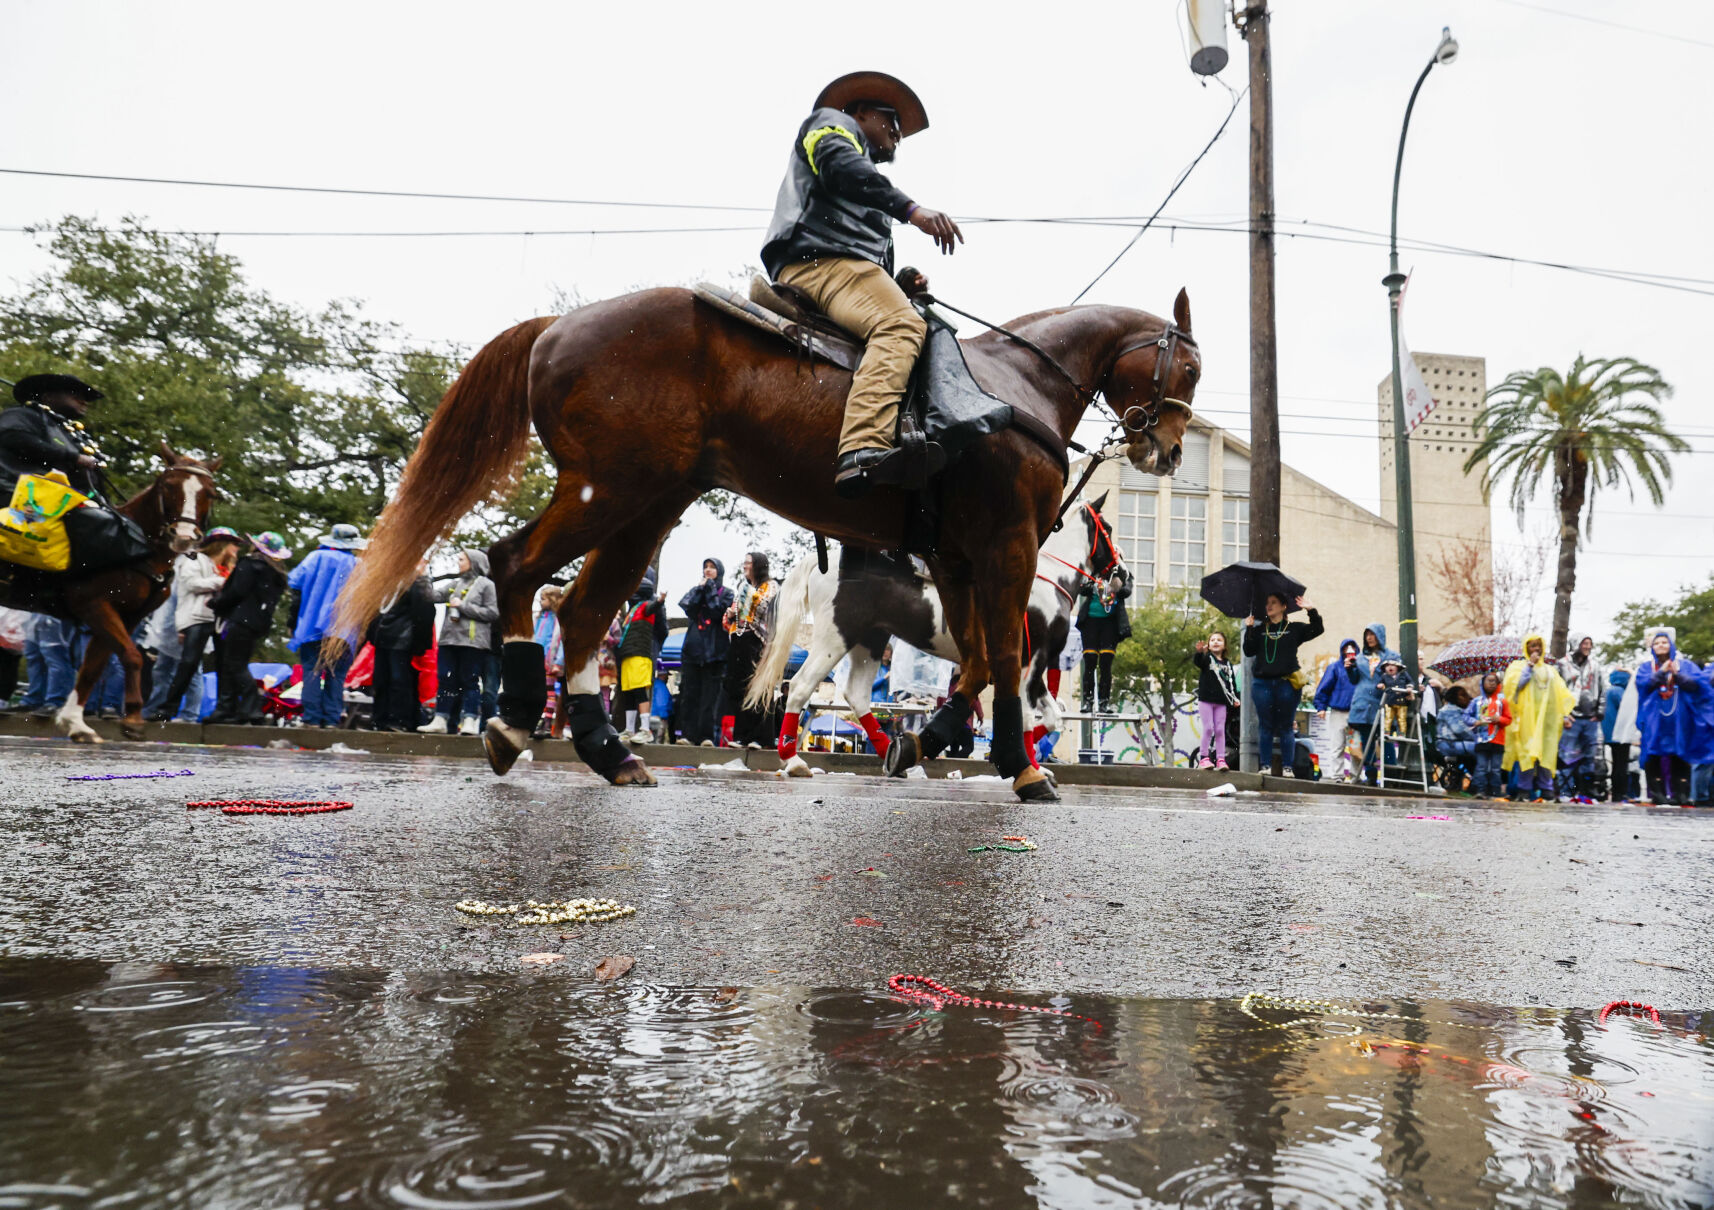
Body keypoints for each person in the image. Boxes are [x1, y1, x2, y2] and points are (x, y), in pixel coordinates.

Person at [761, 72, 962, 497]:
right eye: (892, 122)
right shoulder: (831, 125)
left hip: (833, 265)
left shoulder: (863, 174)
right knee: (902, 327)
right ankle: (862, 447)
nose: (897, 135)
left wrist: (902, 281)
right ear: (862, 111)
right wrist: (912, 210)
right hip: (818, 262)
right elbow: (840, 166)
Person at [0, 374, 149, 572]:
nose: (83, 400)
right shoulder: (23, 415)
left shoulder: (69, 432)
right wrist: (74, 457)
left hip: (57, 502)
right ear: (47, 397)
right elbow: (13, 437)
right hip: (17, 492)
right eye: (75, 394)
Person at [148, 528, 237, 722]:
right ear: (222, 544)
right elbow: (190, 584)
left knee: (213, 666)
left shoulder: (227, 566)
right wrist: (221, 582)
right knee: (187, 664)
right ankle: (168, 709)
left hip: (219, 621)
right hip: (197, 618)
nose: (237, 548)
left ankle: (206, 713)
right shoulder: (195, 559)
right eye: (234, 543)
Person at [207, 532, 292, 725]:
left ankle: (250, 709)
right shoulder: (276, 574)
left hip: (240, 621)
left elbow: (236, 592)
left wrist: (216, 603)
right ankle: (231, 710)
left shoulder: (250, 565)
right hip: (257, 625)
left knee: (233, 665)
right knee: (236, 664)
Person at [285, 524, 364, 728]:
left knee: (311, 671)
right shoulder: (359, 566)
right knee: (336, 676)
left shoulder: (315, 558)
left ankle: (310, 718)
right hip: (344, 630)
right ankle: (331, 719)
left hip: (313, 627)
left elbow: (296, 591)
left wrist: (292, 622)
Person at [1241, 593, 1324, 777]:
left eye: (1273, 603)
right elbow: (1248, 651)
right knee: (1266, 725)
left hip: (1287, 683)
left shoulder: (1293, 629)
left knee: (1286, 725)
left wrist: (1311, 610)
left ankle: (1288, 767)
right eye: (1267, 603)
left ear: (1283, 606)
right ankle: (1265, 766)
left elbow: (1317, 629)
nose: (1269, 606)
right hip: (1262, 684)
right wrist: (1249, 629)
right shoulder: (1261, 629)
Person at [418, 549, 497, 736]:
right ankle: (440, 718)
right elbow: (432, 597)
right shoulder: (456, 583)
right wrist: (423, 577)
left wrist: (463, 606)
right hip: (449, 640)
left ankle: (470, 719)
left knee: (469, 681)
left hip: (473, 642)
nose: (458, 562)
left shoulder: (486, 585)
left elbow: (492, 613)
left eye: (462, 559)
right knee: (445, 679)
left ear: (474, 562)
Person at [1633, 628, 1710, 805]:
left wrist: (1677, 674)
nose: (1661, 645)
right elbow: (1644, 685)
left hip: (1679, 717)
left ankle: (1680, 793)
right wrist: (1661, 673)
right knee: (1653, 752)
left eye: (1664, 642)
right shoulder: (1647, 667)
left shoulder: (1685, 665)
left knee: (1680, 752)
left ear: (1671, 645)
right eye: (1657, 643)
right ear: (1652, 647)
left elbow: (1697, 685)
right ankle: (1657, 794)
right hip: (1655, 716)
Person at [1501, 634, 1576, 803]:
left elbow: (1561, 693)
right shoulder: (1517, 666)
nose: (1536, 649)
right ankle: (1524, 789)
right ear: (1526, 648)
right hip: (1526, 718)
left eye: (1538, 646)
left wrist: (1565, 714)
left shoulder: (1550, 670)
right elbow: (1514, 687)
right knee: (1527, 752)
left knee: (1546, 753)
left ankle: (1546, 788)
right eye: (1532, 646)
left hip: (1548, 720)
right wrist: (1529, 666)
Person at [370, 560, 435, 732]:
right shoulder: (388, 581)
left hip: (402, 639)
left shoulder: (418, 581)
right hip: (383, 638)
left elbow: (425, 612)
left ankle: (400, 720)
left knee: (400, 681)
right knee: (382, 680)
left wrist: (419, 643)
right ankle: (380, 719)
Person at [721, 552, 776, 747]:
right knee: (741, 687)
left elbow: (766, 608)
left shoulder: (770, 586)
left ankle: (761, 737)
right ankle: (743, 737)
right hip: (739, 641)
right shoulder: (742, 588)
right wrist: (730, 614)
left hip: (758, 641)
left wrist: (748, 598)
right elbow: (731, 617)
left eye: (748, 563)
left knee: (758, 687)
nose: (744, 566)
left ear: (758, 566)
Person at [677, 557, 733, 746]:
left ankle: (706, 737)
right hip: (693, 650)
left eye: (712, 567)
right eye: (705, 567)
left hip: (715, 653)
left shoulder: (726, 593)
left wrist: (709, 589)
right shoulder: (696, 590)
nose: (708, 570)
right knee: (689, 694)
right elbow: (689, 609)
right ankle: (687, 735)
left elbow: (717, 611)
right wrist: (700, 589)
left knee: (710, 697)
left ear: (720, 571)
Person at [611, 577, 667, 745]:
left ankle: (645, 729)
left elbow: (652, 607)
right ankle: (629, 729)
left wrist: (660, 600)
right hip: (628, 656)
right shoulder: (632, 611)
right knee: (628, 693)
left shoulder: (644, 607)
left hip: (639, 656)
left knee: (639, 692)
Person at [1344, 623, 1399, 786]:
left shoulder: (1392, 656)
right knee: (1367, 742)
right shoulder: (1359, 658)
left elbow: (1399, 676)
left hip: (1384, 704)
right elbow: (1355, 680)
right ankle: (1371, 775)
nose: (1369, 638)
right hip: (1363, 705)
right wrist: (1349, 669)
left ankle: (1391, 776)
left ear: (1380, 636)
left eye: (1373, 634)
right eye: (1367, 635)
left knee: (1386, 740)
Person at [1077, 564, 1133, 714]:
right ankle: (1088, 701)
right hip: (1091, 622)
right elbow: (1081, 589)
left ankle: (1104, 702)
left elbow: (1127, 591)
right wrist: (1094, 585)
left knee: (1106, 664)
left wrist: (1116, 586)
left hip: (1110, 624)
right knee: (1089, 661)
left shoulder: (1124, 573)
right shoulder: (1093, 573)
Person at [1556, 631, 1606, 800]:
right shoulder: (1562, 665)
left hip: (1590, 718)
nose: (1588, 647)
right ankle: (1566, 790)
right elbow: (1557, 690)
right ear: (1576, 644)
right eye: (1584, 643)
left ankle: (1587, 789)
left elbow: (1602, 687)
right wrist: (1562, 714)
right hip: (1571, 718)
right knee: (1568, 755)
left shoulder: (1595, 665)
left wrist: (1600, 711)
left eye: (1589, 644)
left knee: (1590, 756)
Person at [1312, 638, 1360, 782]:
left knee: (1355, 747)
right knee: (1337, 745)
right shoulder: (1334, 668)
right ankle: (1337, 776)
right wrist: (1321, 707)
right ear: (1342, 651)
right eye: (1346, 649)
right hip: (1338, 713)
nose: (1349, 652)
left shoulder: (1360, 669)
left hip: (1355, 714)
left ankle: (1355, 776)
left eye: (1352, 649)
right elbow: (1324, 688)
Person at [1192, 631, 1239, 770]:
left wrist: (1234, 698)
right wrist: (1200, 652)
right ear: (1209, 645)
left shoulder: (1227, 664)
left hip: (1221, 702)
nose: (1216, 642)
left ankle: (1220, 759)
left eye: (1219, 640)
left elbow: (1231, 683)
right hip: (1206, 699)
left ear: (1224, 645)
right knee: (1208, 728)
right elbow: (1198, 662)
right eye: (1212, 640)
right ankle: (1204, 758)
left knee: (1220, 730)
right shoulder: (1207, 659)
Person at [1470, 671, 1513, 799]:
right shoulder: (1477, 701)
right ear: (1482, 682)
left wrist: (1499, 719)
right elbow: (1466, 716)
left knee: (1495, 768)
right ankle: (1480, 791)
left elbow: (1509, 719)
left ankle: (1495, 791)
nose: (1491, 684)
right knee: (1481, 767)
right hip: (1481, 740)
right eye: (1488, 680)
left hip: (1498, 740)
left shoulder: (1502, 701)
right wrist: (1475, 722)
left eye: (1494, 681)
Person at [532, 585, 565, 738]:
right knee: (537, 691)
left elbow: (559, 640)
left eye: (543, 598)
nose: (540, 601)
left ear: (552, 600)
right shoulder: (540, 616)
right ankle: (537, 719)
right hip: (536, 658)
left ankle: (547, 721)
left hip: (549, 661)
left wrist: (558, 662)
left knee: (549, 691)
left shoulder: (558, 619)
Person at [1603, 668, 1639, 801]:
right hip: (1621, 734)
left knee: (1614, 764)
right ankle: (1620, 793)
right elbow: (1628, 710)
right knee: (1621, 765)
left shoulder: (1607, 691)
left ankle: (1613, 791)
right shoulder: (1621, 692)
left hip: (1608, 734)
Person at [1435, 684, 1477, 792]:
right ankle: (1478, 783)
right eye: (1463, 695)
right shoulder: (1451, 710)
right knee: (1482, 749)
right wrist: (1475, 738)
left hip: (1450, 743)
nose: (1466, 698)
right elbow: (1459, 730)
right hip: (1449, 745)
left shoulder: (1451, 710)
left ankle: (1474, 780)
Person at [1377, 659, 1416, 735]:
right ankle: (1386, 732)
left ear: (1397, 667)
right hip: (1390, 701)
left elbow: (1410, 682)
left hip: (1401, 701)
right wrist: (1380, 686)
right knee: (1388, 717)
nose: (1390, 667)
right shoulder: (1385, 676)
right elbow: (1380, 683)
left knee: (1401, 718)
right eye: (1387, 666)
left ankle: (1401, 733)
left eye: (1392, 665)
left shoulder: (1403, 674)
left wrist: (1409, 688)